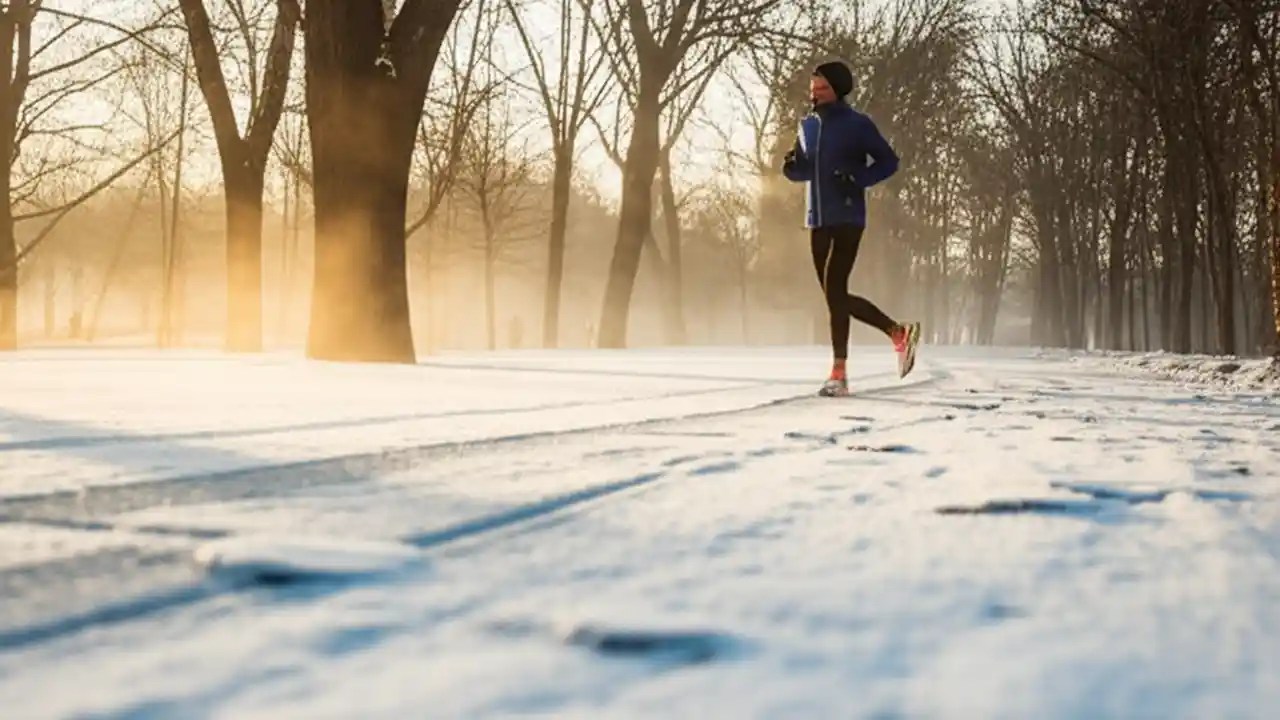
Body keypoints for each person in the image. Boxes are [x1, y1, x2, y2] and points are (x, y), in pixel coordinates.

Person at [782, 60, 920, 397]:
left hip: (847, 216)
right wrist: (791, 167)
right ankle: (897, 332)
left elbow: (888, 162)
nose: (816, 94)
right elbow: (803, 171)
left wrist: (856, 179)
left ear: (840, 89)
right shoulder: (807, 126)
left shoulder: (858, 125)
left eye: (823, 88)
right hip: (817, 218)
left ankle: (839, 374)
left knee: (835, 291)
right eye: (813, 87)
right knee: (835, 297)